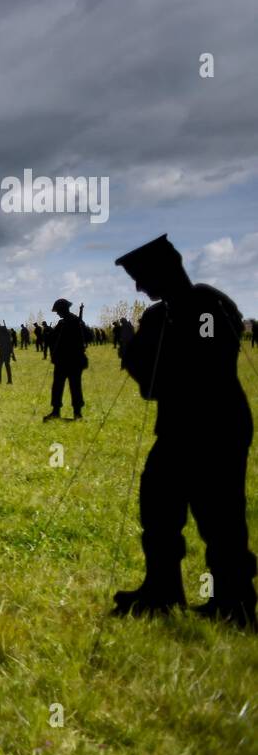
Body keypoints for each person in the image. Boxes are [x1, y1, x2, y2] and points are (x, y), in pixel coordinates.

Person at [111, 235, 254, 627]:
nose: (139, 287)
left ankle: (235, 603)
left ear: (166, 269)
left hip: (216, 429)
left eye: (141, 277)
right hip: (176, 429)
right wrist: (132, 352)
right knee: (157, 507)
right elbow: (151, 387)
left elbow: (210, 364)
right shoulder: (159, 317)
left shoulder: (207, 307)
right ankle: (162, 590)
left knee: (220, 518)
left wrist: (155, 357)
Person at [43, 299, 87, 421]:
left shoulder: (73, 322)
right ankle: (56, 411)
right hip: (63, 360)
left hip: (72, 360)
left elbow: (86, 337)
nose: (57, 313)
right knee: (58, 386)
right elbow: (53, 338)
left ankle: (77, 413)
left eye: (58, 311)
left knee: (74, 387)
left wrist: (49, 336)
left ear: (63, 310)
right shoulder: (66, 322)